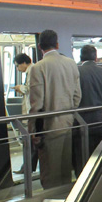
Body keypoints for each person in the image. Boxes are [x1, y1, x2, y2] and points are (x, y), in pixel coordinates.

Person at [29, 29, 82, 189]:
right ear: (57, 45)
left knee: (49, 174)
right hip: (67, 124)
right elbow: (77, 96)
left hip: (48, 128)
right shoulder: (71, 63)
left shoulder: (38, 67)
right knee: (65, 171)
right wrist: (69, 115)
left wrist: (33, 131)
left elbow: (36, 104)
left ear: (39, 47)